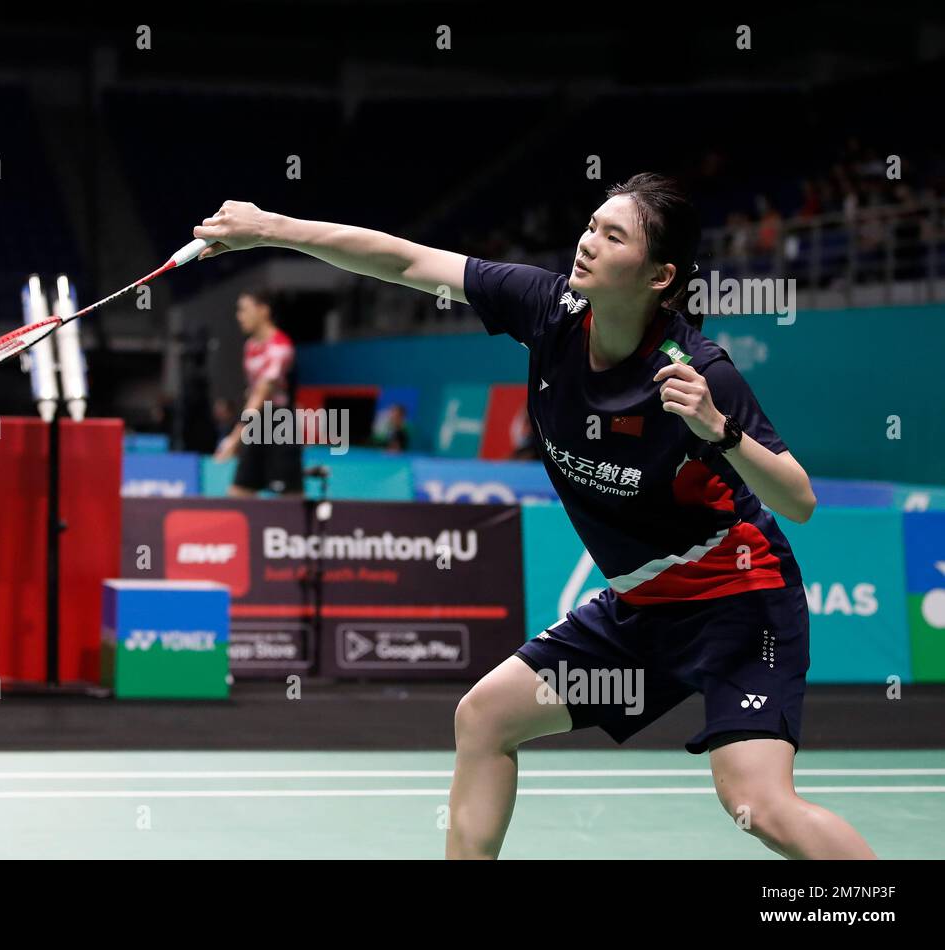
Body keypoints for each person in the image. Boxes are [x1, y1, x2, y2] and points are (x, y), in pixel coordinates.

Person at [192, 177, 876, 860]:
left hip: (738, 606)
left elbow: (799, 500)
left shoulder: (695, 373)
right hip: (642, 611)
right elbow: (405, 261)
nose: (588, 242)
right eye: (591, 225)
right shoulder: (548, 310)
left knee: (757, 806)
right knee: (486, 718)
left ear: (659, 275)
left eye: (615, 236)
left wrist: (719, 430)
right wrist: (270, 226)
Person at [212, 289, 303, 497]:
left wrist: (235, 438)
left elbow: (261, 393)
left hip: (281, 425)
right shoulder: (251, 346)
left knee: (290, 502)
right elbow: (251, 393)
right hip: (257, 422)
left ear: (263, 310)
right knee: (238, 493)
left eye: (244, 310)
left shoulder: (281, 346)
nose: (239, 316)